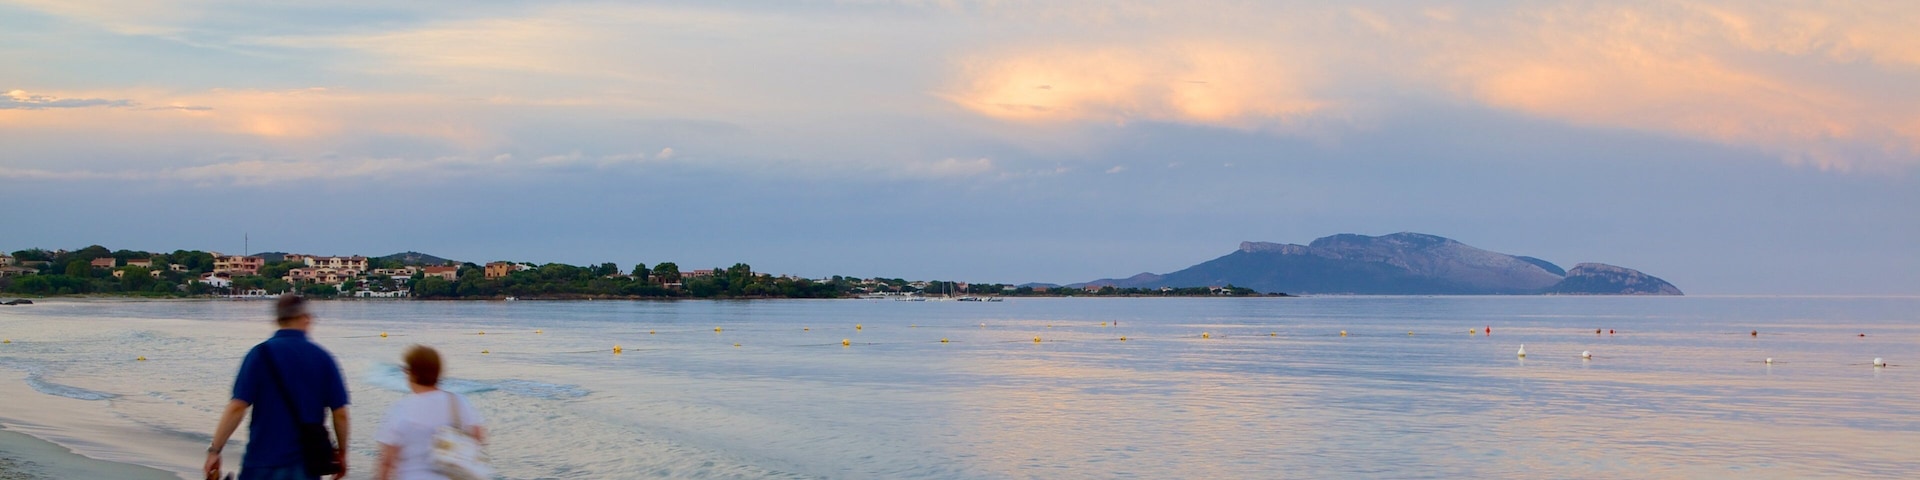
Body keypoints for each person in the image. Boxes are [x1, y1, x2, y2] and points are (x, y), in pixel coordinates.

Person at [208, 294, 351, 480]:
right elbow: (340, 414)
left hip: (261, 462)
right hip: (304, 466)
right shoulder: (322, 358)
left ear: (277, 319)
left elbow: (237, 407)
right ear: (305, 318)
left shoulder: (259, 355)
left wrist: (215, 451)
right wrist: (342, 453)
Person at [376, 345, 486, 480]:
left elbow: (386, 461)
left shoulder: (401, 409)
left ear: (411, 373)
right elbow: (478, 436)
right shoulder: (458, 402)